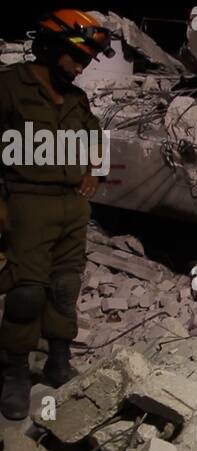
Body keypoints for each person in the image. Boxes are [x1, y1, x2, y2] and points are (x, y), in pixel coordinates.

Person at [0, 10, 113, 420]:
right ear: (49, 47)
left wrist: (95, 173)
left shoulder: (77, 98)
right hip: (27, 200)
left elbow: (95, 135)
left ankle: (58, 361)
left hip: (71, 206)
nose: (79, 67)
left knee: (65, 286)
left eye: (84, 61)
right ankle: (14, 373)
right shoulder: (11, 86)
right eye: (74, 57)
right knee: (26, 291)